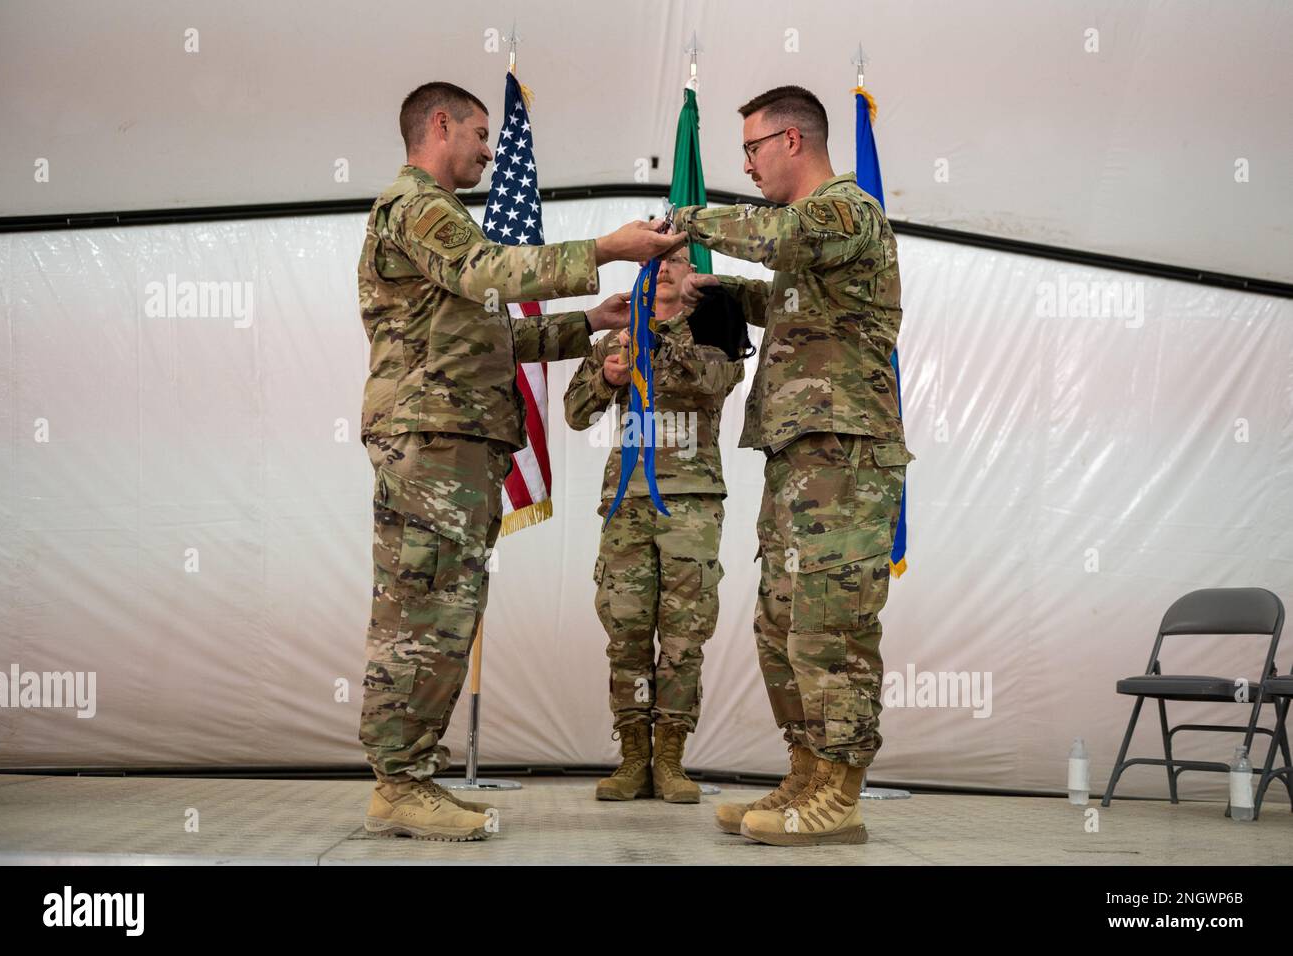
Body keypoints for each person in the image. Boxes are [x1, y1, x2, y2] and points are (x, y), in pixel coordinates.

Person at [357, 81, 687, 842]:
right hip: (431, 442)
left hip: (455, 439)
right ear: (439, 125)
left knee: (444, 610)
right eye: (479, 133)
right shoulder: (417, 209)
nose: (488, 150)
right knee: (423, 613)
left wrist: (588, 323)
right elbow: (488, 273)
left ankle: (404, 780)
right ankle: (400, 781)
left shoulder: (438, 221)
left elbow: (493, 342)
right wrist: (606, 251)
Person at [674, 85, 914, 846]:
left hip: (845, 457)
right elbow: (788, 295)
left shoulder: (846, 211)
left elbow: (782, 242)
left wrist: (681, 223)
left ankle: (839, 793)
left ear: (790, 141)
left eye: (750, 149)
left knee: (829, 626)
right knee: (780, 623)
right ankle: (807, 772)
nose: (745, 165)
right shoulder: (810, 239)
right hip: (798, 455)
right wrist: (712, 290)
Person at [564, 245, 744, 803]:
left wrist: (653, 337)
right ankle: (633, 758)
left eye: (678, 260)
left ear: (696, 273)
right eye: (656, 259)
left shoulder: (714, 323)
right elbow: (575, 412)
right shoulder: (616, 335)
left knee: (685, 634)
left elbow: (715, 380)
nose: (664, 267)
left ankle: (670, 757)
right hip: (627, 502)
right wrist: (608, 378)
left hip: (690, 502)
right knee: (627, 632)